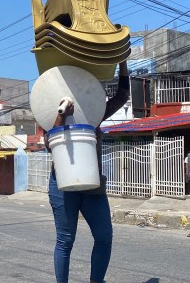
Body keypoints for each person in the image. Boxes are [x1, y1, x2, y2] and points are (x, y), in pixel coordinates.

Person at [45, 60, 129, 283]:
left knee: (104, 237)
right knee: (65, 240)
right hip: (63, 184)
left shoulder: (94, 114)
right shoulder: (51, 112)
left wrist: (122, 63)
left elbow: (121, 97)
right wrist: (62, 114)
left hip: (91, 184)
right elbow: (49, 143)